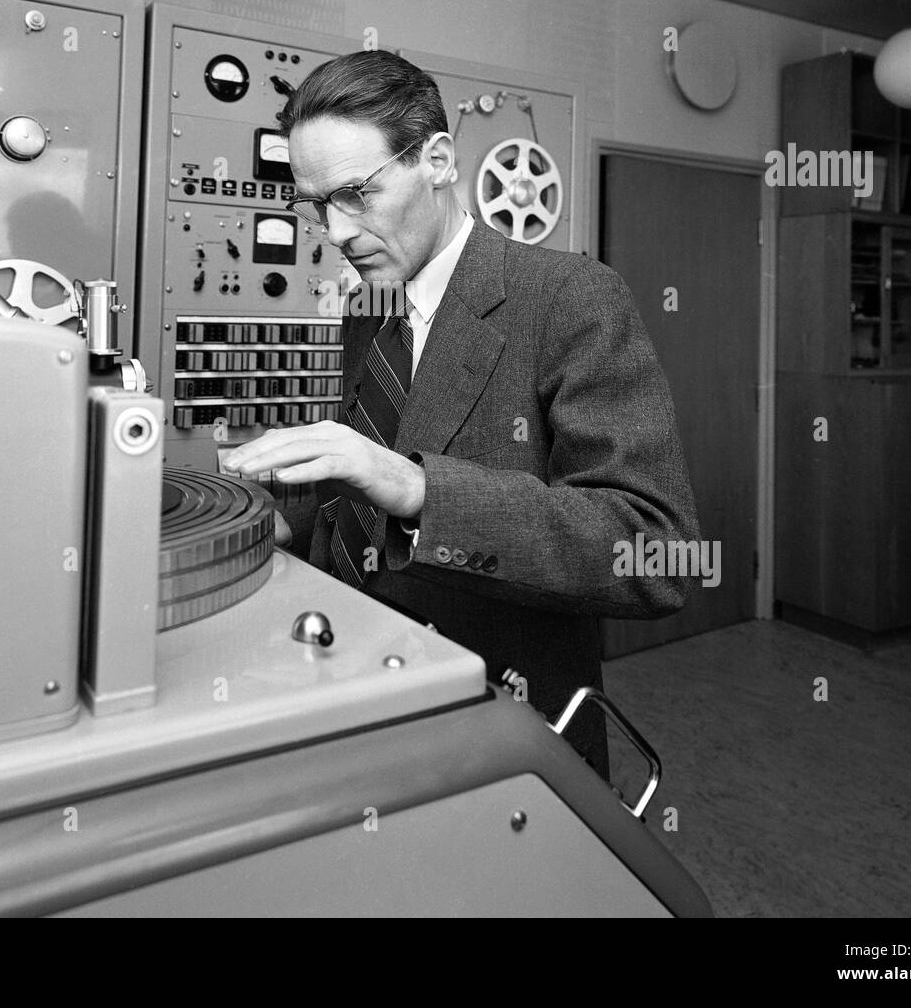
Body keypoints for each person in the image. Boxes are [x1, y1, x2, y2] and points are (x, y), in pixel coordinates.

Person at [221, 50, 700, 778]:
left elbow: (655, 554)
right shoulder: (364, 311)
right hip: (348, 696)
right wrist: (276, 522)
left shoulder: (568, 297)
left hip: (495, 733)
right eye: (317, 204)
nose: (337, 232)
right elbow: (356, 500)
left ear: (438, 160)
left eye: (357, 193)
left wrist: (420, 490)